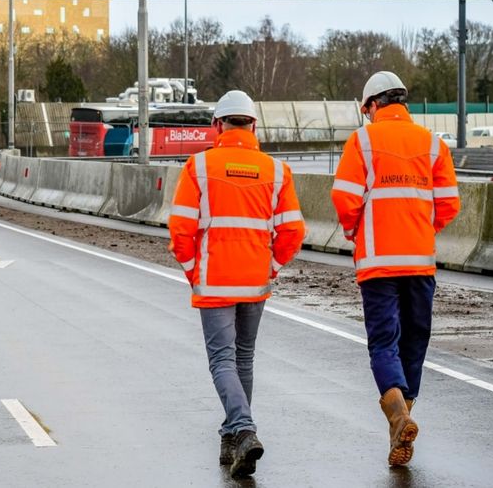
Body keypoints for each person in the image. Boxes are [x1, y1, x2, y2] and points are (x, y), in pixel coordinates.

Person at [169, 90, 306, 478]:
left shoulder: (198, 167)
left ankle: (244, 429)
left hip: (214, 281)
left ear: (217, 125)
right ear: (253, 126)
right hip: (255, 280)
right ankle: (231, 437)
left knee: (222, 360)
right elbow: (293, 230)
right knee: (243, 358)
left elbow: (180, 228)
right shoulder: (276, 170)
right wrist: (273, 265)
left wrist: (195, 270)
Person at [331, 71, 460, 466]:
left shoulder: (363, 140)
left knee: (384, 342)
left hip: (377, 264)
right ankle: (402, 421)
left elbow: (344, 199)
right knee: (414, 343)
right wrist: (421, 228)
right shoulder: (432, 142)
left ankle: (398, 417)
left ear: (372, 105)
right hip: (420, 262)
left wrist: (358, 232)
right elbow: (450, 204)